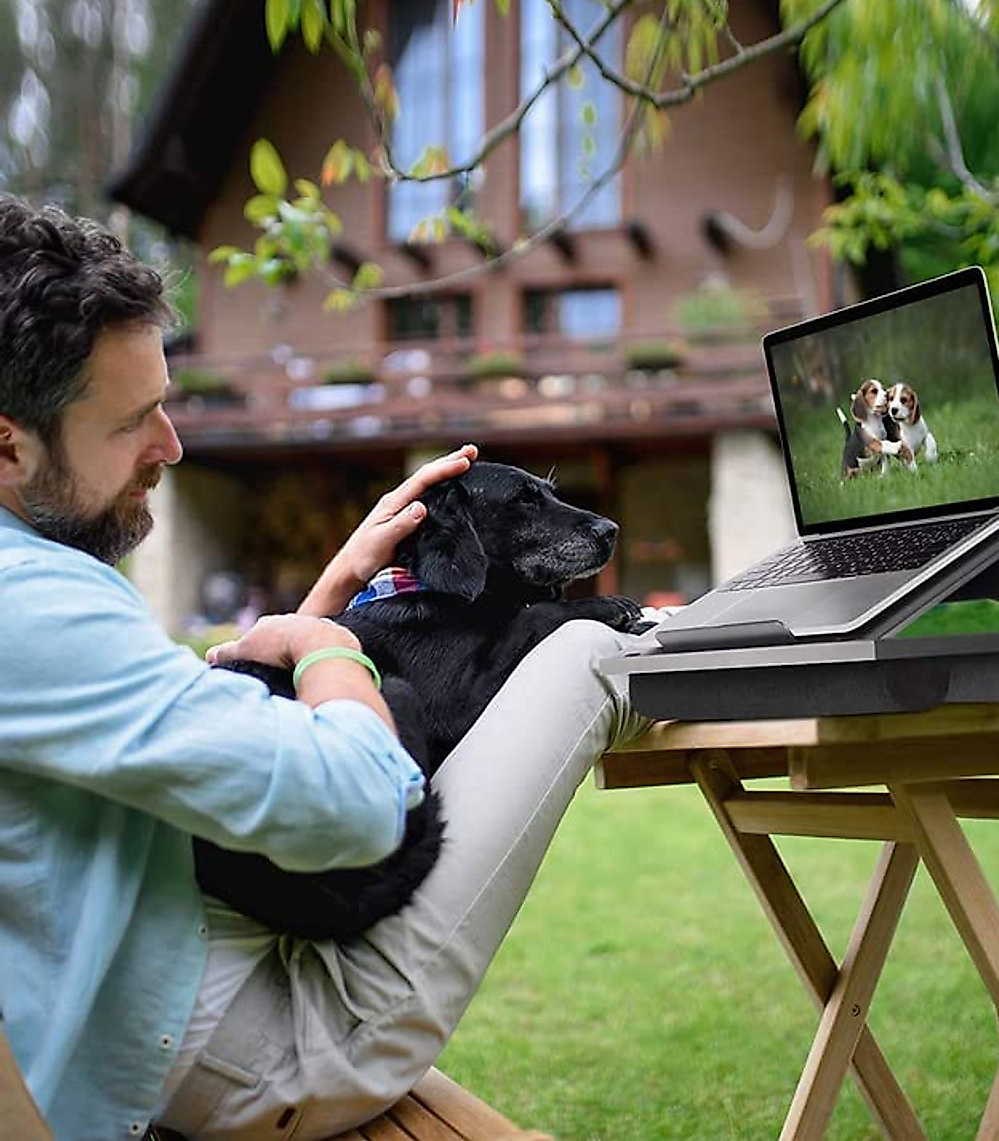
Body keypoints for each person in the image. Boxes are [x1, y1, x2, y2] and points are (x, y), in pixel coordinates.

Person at [0, 195, 649, 1141]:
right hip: (262, 1046)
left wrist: (338, 590)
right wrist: (331, 645)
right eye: (134, 420)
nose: (172, 448)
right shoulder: (35, 604)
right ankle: (731, 665)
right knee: (586, 648)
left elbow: (207, 739)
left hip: (171, 985)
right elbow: (359, 808)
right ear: (7, 441)